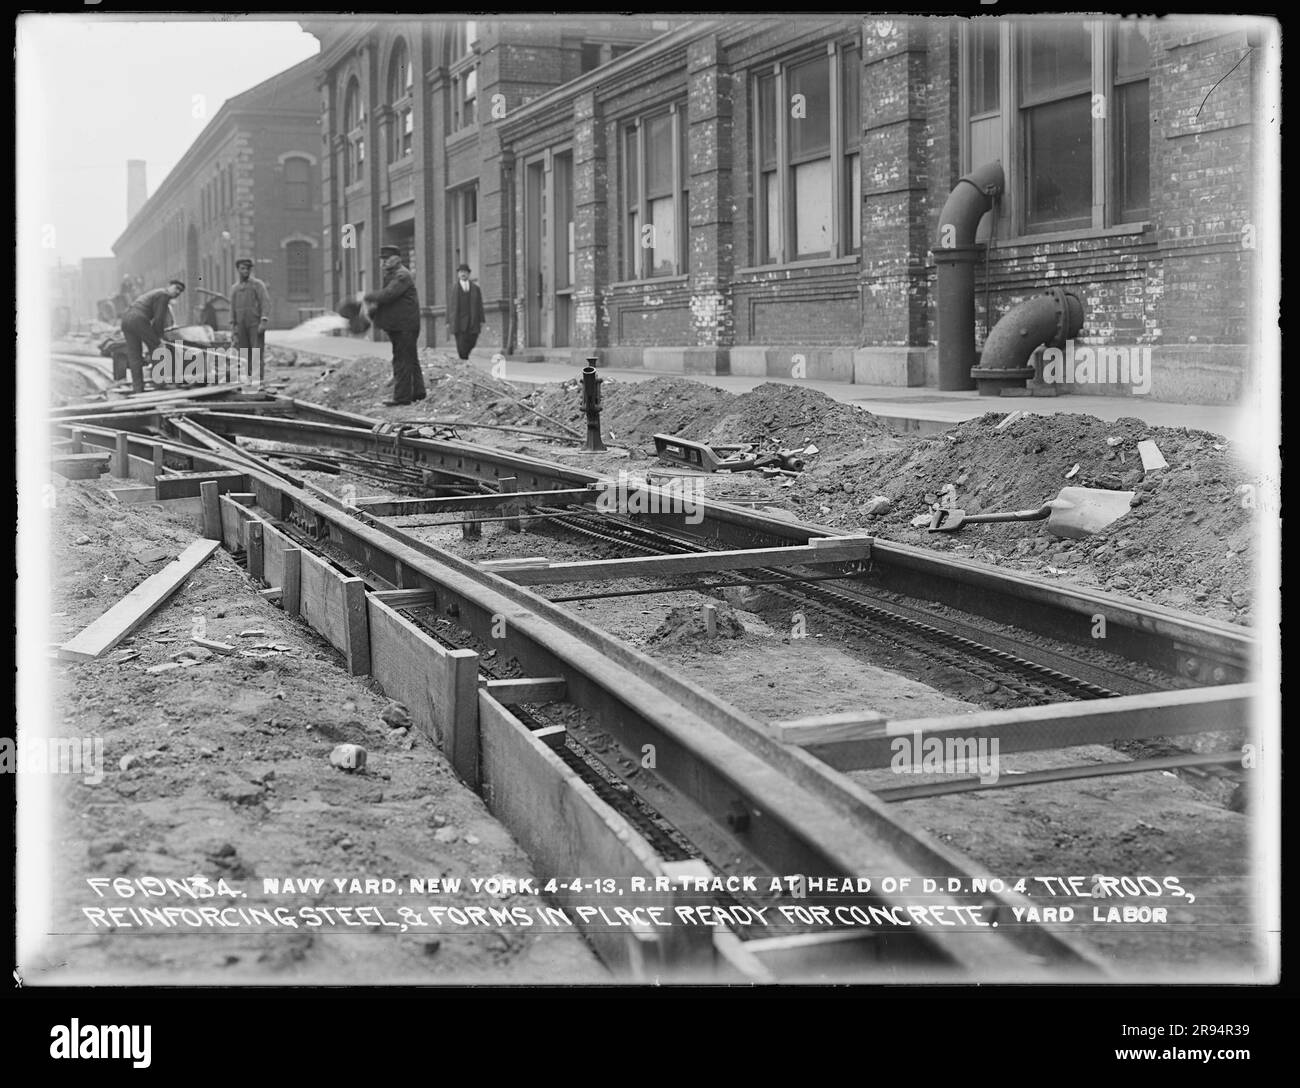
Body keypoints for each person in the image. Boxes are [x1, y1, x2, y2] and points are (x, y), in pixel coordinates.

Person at [364, 244, 426, 406]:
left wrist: (367, 297)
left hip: (404, 326)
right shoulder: (393, 275)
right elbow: (388, 300)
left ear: (397, 259)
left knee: (401, 360)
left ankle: (402, 398)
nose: (383, 262)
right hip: (403, 325)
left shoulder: (401, 275)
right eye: (382, 259)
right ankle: (418, 393)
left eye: (387, 259)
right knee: (410, 359)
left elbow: (388, 295)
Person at [119, 280, 184, 393]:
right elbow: (159, 319)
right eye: (176, 288)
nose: (177, 292)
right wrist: (158, 338)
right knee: (157, 348)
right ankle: (159, 384)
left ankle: (138, 388)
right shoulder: (164, 295)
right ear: (169, 286)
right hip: (138, 319)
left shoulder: (157, 293)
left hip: (126, 319)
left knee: (134, 355)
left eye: (180, 291)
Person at [230, 257, 270, 380]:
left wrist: (263, 321)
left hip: (254, 323)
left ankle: (258, 379)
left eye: (248, 269)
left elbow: (265, 302)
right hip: (240, 325)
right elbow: (232, 308)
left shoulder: (257, 285)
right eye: (242, 268)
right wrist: (233, 327)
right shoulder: (235, 288)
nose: (245, 271)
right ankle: (247, 378)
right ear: (238, 270)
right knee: (243, 352)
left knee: (256, 351)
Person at [446, 262, 485, 361]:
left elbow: (480, 305)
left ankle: (464, 357)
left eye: (465, 272)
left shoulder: (475, 288)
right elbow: (449, 306)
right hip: (458, 321)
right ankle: (464, 360)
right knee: (461, 343)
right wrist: (447, 321)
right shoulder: (453, 289)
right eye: (461, 272)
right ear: (458, 274)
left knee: (473, 341)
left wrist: (482, 320)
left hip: (472, 320)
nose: (463, 274)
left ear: (468, 274)